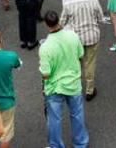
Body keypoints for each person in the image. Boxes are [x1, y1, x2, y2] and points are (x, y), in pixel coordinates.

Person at [39, 10, 89, 148]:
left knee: (54, 120)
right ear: (59, 21)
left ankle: (55, 146)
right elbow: (80, 56)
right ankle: (80, 144)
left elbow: (46, 74)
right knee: (77, 115)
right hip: (73, 83)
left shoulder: (45, 47)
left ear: (46, 25)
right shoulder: (73, 36)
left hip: (54, 87)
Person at [60, 0, 103, 102]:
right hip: (92, 36)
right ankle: (89, 90)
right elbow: (100, 18)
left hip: (76, 39)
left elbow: (62, 22)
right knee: (90, 63)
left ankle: (76, 87)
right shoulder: (93, 1)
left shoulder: (68, 4)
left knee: (76, 62)